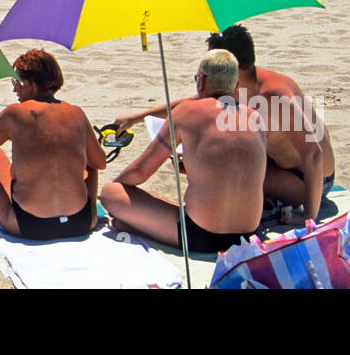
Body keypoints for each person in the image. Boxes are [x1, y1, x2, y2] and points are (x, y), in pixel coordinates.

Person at [111, 25, 333, 223]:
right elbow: (193, 101)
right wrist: (136, 117)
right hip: (283, 164)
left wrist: (309, 217)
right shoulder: (244, 82)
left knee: (227, 172)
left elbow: (313, 153)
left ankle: (281, 204)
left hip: (313, 179)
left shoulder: (275, 96)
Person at [100, 50, 265, 252]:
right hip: (247, 236)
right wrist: (195, 165)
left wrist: (118, 189)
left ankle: (141, 225)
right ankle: (141, 223)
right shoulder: (255, 118)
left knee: (112, 192)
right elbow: (237, 170)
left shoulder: (185, 111)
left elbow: (140, 172)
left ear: (201, 81)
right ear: (236, 85)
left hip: (202, 236)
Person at [0, 49, 107, 241]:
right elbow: (100, 163)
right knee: (91, 164)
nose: (14, 90)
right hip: (81, 222)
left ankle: (0, 198)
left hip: (29, 225)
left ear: (32, 83)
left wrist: (13, 136)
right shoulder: (76, 113)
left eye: (17, 82)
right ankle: (84, 204)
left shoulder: (14, 113)